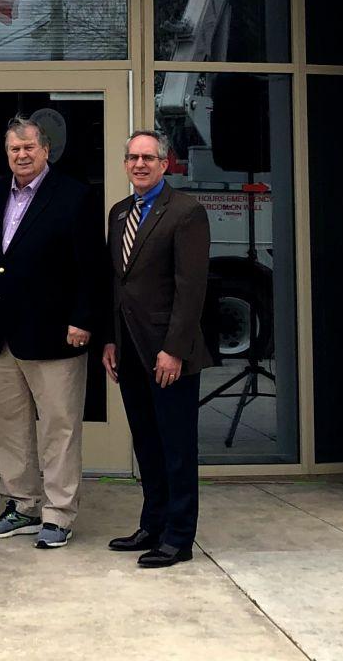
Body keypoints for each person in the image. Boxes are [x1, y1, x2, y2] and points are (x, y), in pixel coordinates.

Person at [0, 116, 102, 549]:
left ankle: (58, 514)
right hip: (1, 334)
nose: (21, 155)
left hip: (56, 335)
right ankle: (22, 505)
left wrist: (84, 319)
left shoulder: (75, 196)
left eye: (29, 148)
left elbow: (92, 266)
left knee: (59, 428)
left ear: (46, 150)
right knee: (6, 427)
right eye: (14, 149)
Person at [102, 130, 211, 569]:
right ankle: (152, 524)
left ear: (166, 164)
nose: (140, 164)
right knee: (147, 444)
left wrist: (174, 350)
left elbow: (191, 290)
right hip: (129, 350)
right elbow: (117, 284)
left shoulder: (186, 212)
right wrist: (110, 338)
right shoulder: (118, 212)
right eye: (133, 157)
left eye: (149, 157)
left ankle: (179, 537)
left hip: (169, 355)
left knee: (176, 448)